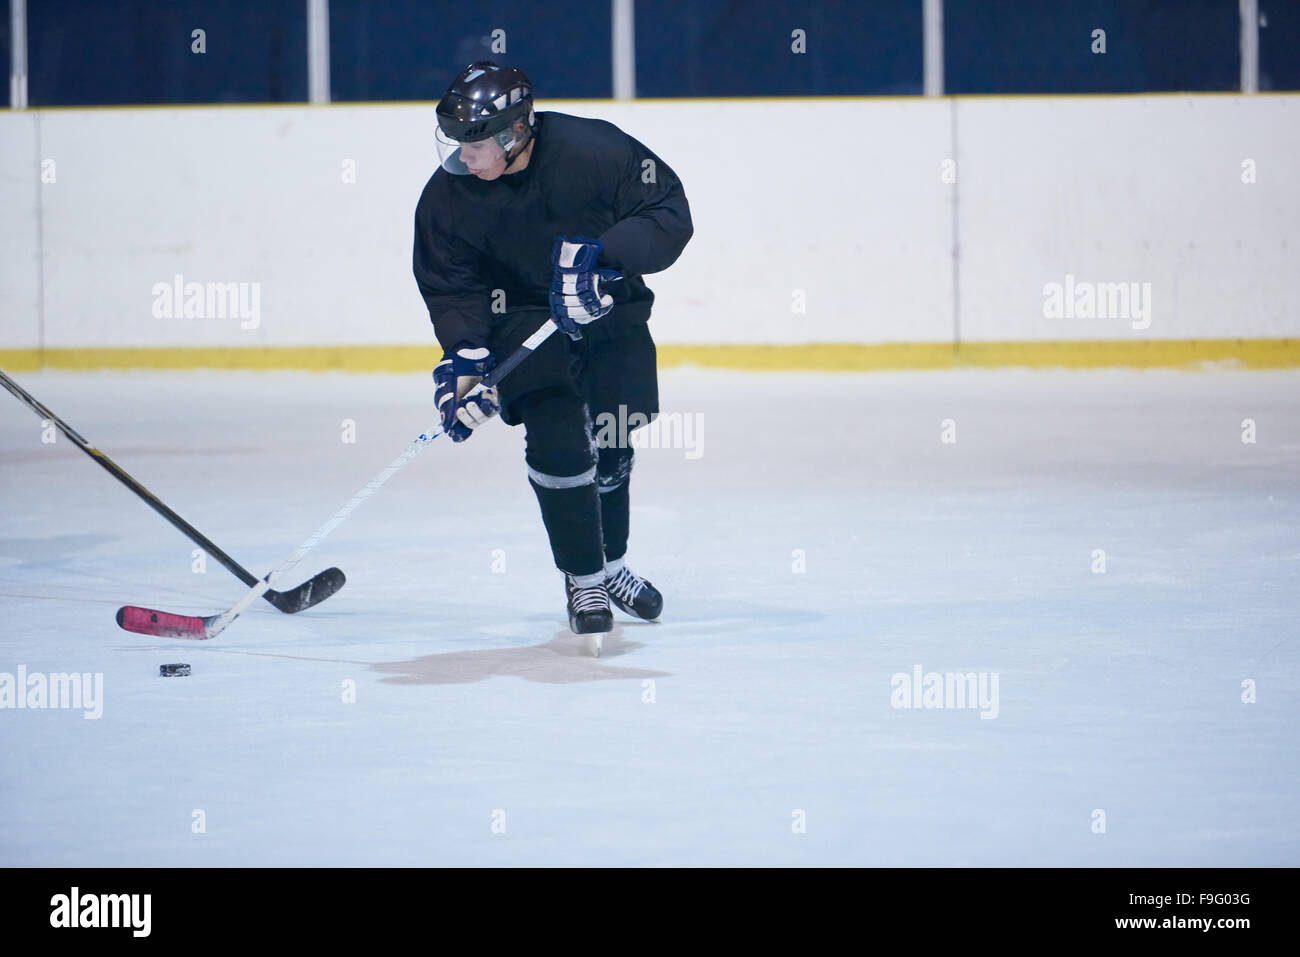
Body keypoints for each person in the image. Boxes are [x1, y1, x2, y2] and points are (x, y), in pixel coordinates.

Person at [413, 61, 694, 635]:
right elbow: (451, 283)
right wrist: (465, 356)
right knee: (561, 442)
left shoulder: (595, 151)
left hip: (607, 306)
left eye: (475, 143)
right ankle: (584, 576)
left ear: (516, 133)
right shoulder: (447, 196)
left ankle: (612, 564)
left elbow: (668, 209)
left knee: (612, 440)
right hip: (517, 318)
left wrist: (605, 257)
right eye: (456, 140)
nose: (462, 155)